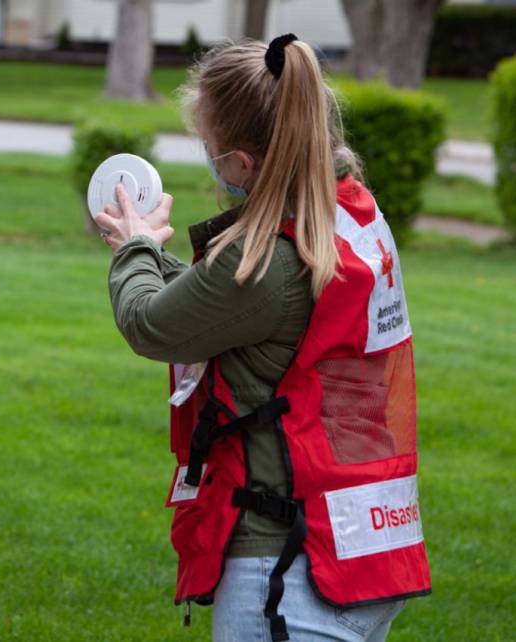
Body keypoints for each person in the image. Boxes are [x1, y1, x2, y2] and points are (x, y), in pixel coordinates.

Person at [94, 35, 430, 641]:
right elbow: (236, 309)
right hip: (364, 543)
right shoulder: (348, 220)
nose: (211, 161)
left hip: (288, 566)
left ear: (242, 164)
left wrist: (134, 248)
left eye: (212, 150)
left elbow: (150, 323)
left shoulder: (267, 258)